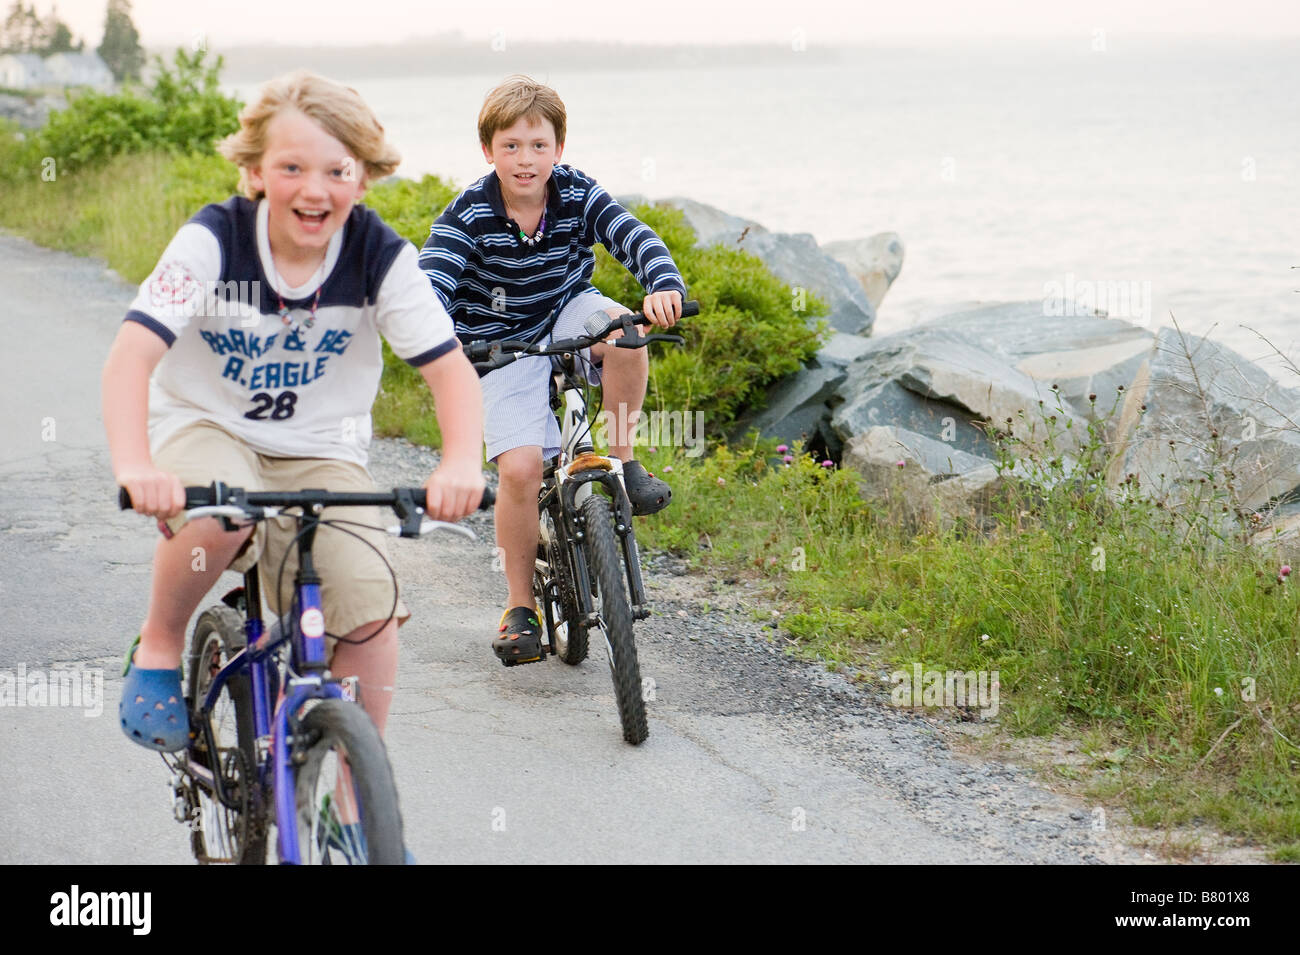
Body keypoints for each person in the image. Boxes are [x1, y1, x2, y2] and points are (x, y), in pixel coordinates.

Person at [103, 70, 485, 756]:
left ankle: (352, 815)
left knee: (370, 612)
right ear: (255, 171)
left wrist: (460, 461)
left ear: (363, 179)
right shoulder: (214, 241)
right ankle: (160, 643)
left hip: (321, 447)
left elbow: (450, 370)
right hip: (207, 424)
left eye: (337, 170)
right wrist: (136, 465)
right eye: (291, 167)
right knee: (222, 512)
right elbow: (131, 356)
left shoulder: (378, 254)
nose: (315, 189)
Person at [419, 74, 685, 666]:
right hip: (498, 342)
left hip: (568, 309)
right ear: (488, 151)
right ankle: (520, 606)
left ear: (558, 149)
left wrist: (662, 283)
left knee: (626, 331)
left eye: (538, 145)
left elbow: (632, 235)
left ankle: (624, 461)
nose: (525, 159)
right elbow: (432, 278)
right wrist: (437, 337)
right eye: (510, 146)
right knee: (518, 469)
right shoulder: (468, 212)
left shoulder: (575, 192)